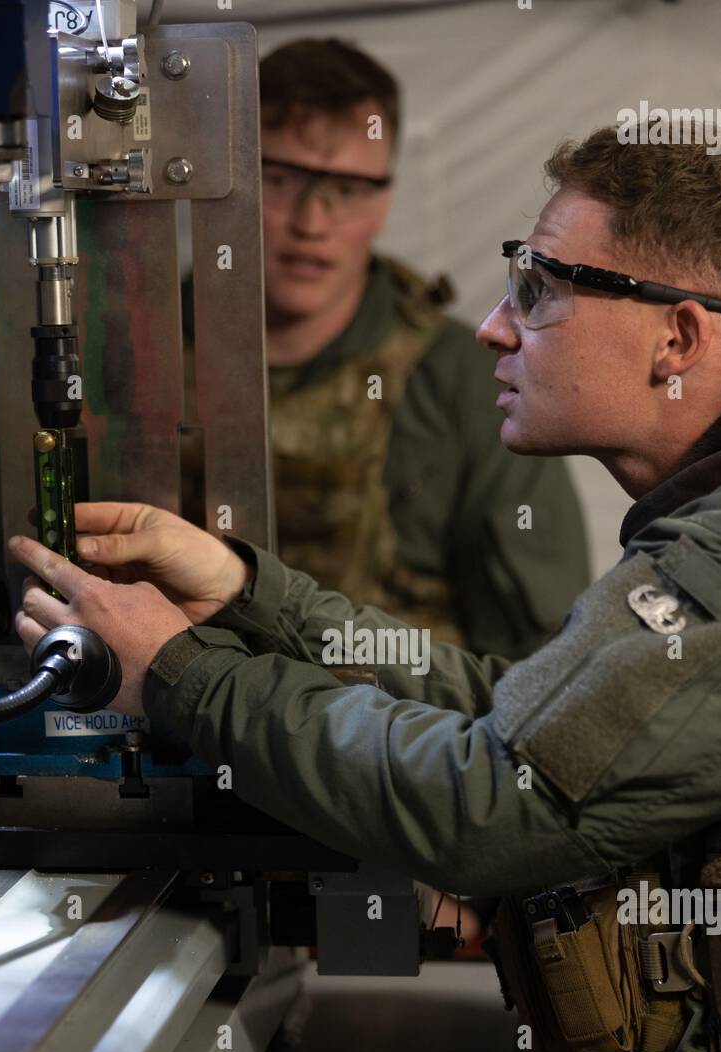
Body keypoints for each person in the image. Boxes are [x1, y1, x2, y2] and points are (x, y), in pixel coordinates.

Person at [11, 125, 721, 1052]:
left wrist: (183, 675)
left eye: (538, 288)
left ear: (677, 336)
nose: (494, 325)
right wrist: (253, 596)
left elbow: (499, 796)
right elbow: (526, 715)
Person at [183, 37, 589, 655]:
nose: (312, 222)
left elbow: (540, 664)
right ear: (227, 179)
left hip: (395, 745)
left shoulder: (474, 376)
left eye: (348, 188)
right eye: (283, 178)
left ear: (386, 197)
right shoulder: (132, 347)